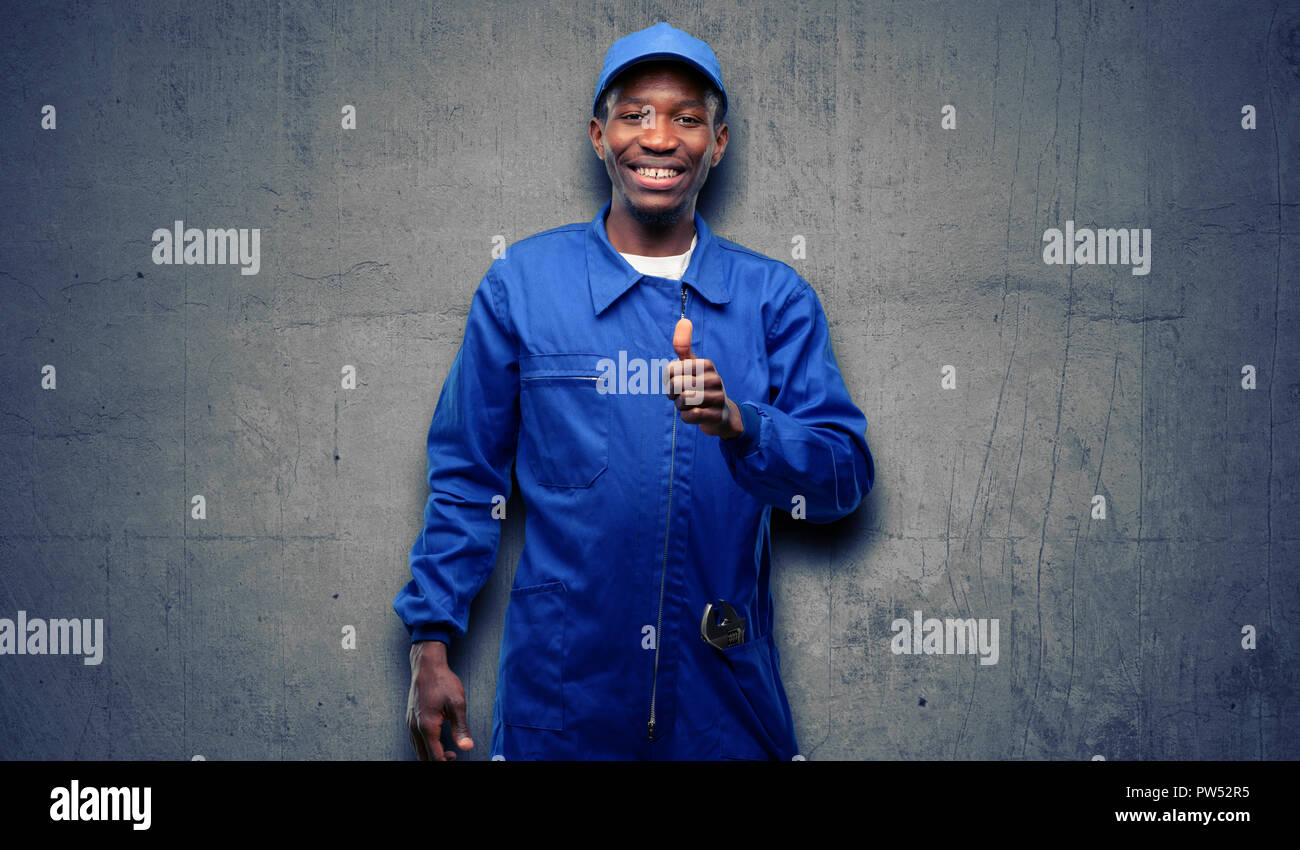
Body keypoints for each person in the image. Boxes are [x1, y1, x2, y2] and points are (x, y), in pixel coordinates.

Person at [394, 21, 875, 761]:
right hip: (560, 702)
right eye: (635, 114)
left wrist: (745, 426)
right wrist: (431, 644)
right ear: (598, 135)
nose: (659, 138)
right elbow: (466, 479)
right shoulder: (522, 287)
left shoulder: (774, 299)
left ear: (718, 143)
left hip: (725, 705)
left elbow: (843, 477)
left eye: (687, 118)